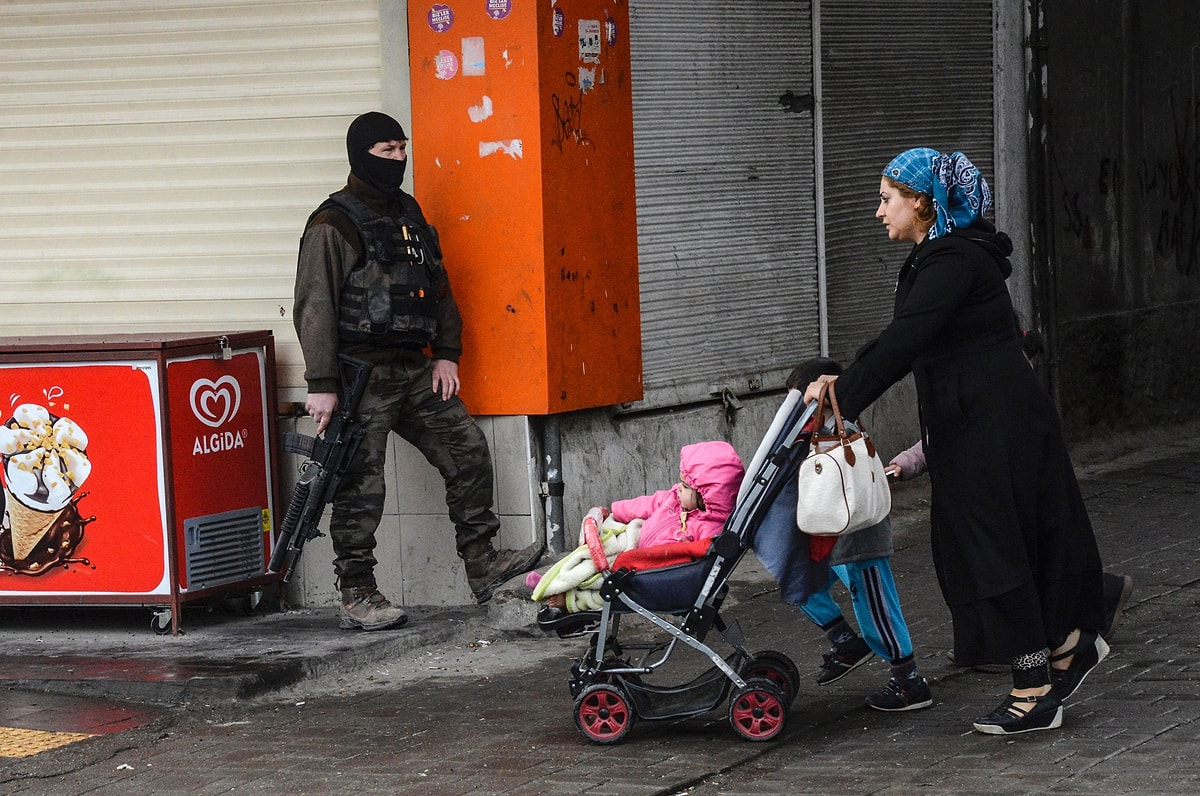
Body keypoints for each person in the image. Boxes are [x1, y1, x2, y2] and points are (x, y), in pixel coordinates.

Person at [803, 147, 1110, 735]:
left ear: (921, 203)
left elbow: (908, 338)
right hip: (981, 427)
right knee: (1008, 545)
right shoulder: (943, 257)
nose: (877, 211)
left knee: (995, 553)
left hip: (991, 431)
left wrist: (841, 397)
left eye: (886, 198)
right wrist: (842, 383)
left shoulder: (951, 259)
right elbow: (906, 335)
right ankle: (1071, 641)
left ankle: (1036, 690)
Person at [292, 111, 544, 631]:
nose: (398, 159)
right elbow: (314, 306)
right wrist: (322, 385)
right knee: (362, 486)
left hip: (414, 369)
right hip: (360, 375)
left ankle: (484, 567)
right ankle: (358, 591)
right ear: (361, 155)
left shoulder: (408, 212)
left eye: (401, 148)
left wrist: (447, 351)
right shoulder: (331, 223)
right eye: (386, 151)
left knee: (468, 450)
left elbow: (439, 284)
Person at [752, 357, 932, 712]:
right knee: (799, 579)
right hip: (831, 533)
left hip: (860, 534)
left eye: (799, 400)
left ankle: (909, 680)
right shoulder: (812, 431)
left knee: (876, 605)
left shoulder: (839, 428)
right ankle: (846, 640)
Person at [530, 441, 744, 619]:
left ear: (706, 497)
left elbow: (686, 555)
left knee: (599, 572)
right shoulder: (674, 500)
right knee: (592, 551)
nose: (679, 488)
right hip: (634, 539)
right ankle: (555, 578)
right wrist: (614, 510)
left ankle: (562, 594)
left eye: (686, 487)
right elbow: (646, 505)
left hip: (647, 568)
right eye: (680, 482)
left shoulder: (707, 530)